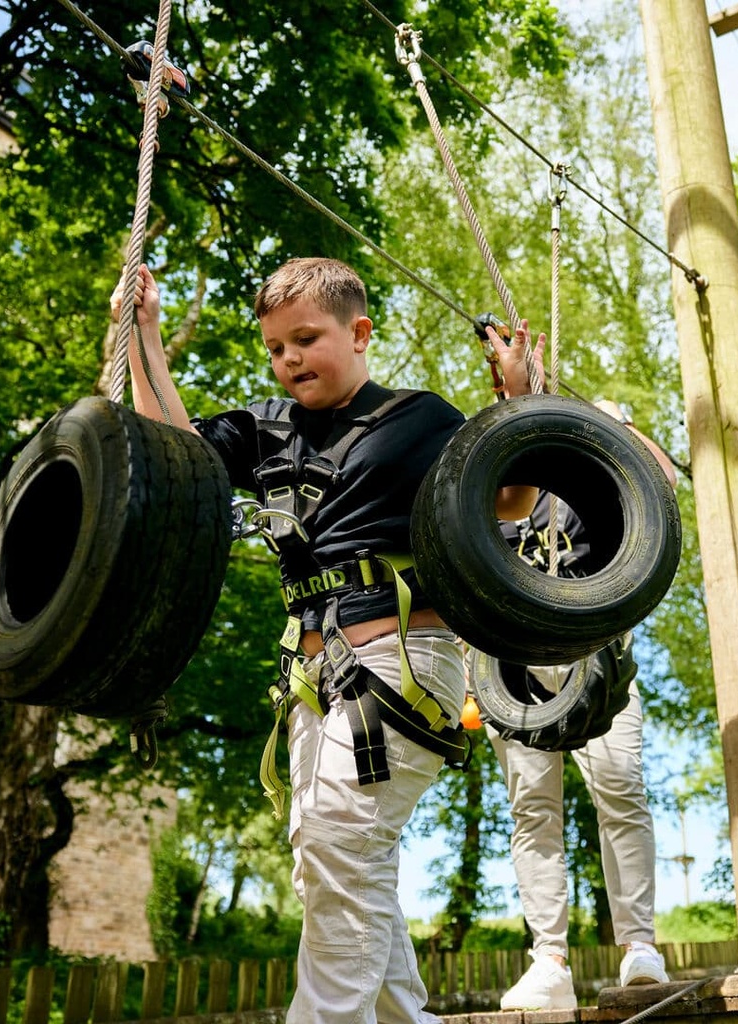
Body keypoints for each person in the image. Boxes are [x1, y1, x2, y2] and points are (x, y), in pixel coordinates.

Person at [111, 256, 542, 1024]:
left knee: (341, 843)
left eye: (306, 339)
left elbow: (509, 502)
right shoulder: (262, 427)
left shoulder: (420, 420)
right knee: (333, 863)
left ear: (360, 332)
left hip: (399, 665)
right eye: (276, 348)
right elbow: (178, 460)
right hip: (314, 679)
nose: (289, 361)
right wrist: (143, 335)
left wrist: (519, 400)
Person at [486, 400, 677, 1011]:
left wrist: (610, 423)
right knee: (531, 809)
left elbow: (662, 483)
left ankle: (639, 946)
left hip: (597, 661)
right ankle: (550, 959)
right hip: (513, 665)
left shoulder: (598, 487)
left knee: (621, 790)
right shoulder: (503, 487)